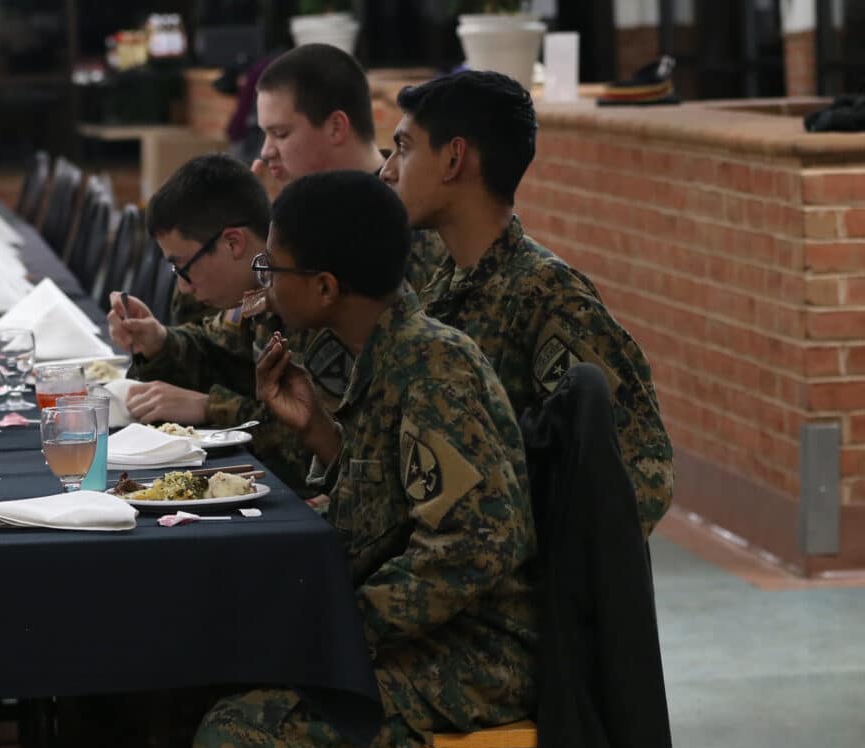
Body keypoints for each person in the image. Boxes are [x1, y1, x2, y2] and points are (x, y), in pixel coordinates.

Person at [192, 170, 537, 748]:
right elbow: (405, 503)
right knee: (216, 679)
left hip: (480, 650)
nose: (264, 287)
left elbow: (475, 547)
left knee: (236, 743)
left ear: (326, 287)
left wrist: (344, 629)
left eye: (273, 271)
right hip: (434, 632)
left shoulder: (434, 369)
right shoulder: (382, 359)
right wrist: (322, 436)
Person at [380, 70, 673, 535]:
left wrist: (536, 562)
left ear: (455, 157)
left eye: (404, 148)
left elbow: (643, 471)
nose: (387, 170)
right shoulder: (442, 289)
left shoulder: (546, 296)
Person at [106, 154, 351, 498]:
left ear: (233, 242)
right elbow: (214, 342)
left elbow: (317, 442)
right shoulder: (257, 293)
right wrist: (159, 341)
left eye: (183, 268)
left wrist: (210, 406)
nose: (183, 287)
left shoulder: (310, 300)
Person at [252, 42, 447, 292]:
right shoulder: (305, 213)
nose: (266, 151)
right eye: (265, 134)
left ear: (336, 127)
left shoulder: (404, 227)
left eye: (280, 133)